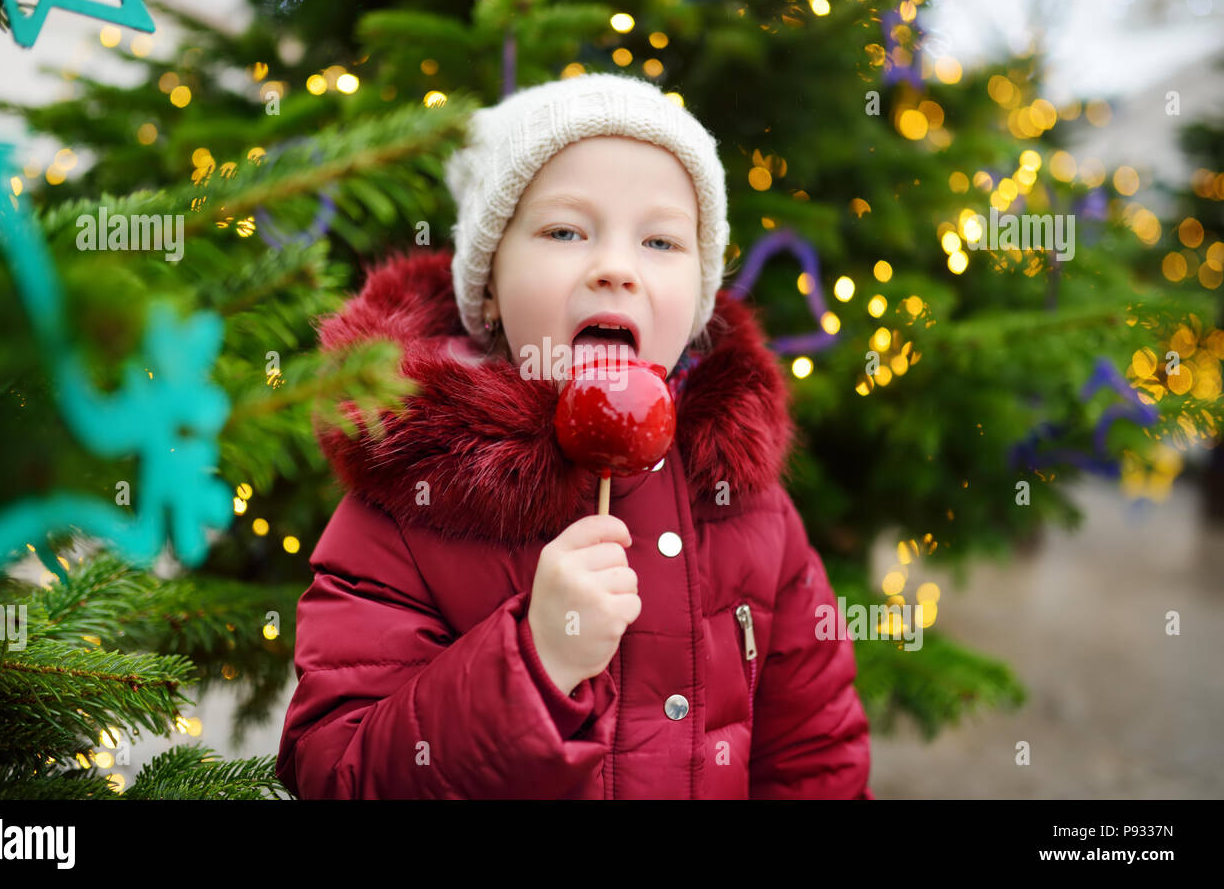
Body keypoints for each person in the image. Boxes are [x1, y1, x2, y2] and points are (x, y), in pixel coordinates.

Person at [275, 72, 873, 798]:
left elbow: (814, 754)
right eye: (565, 231)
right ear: (489, 289)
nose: (616, 268)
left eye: (660, 240)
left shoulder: (750, 507)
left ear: (698, 300)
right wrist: (535, 662)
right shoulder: (407, 506)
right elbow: (336, 773)